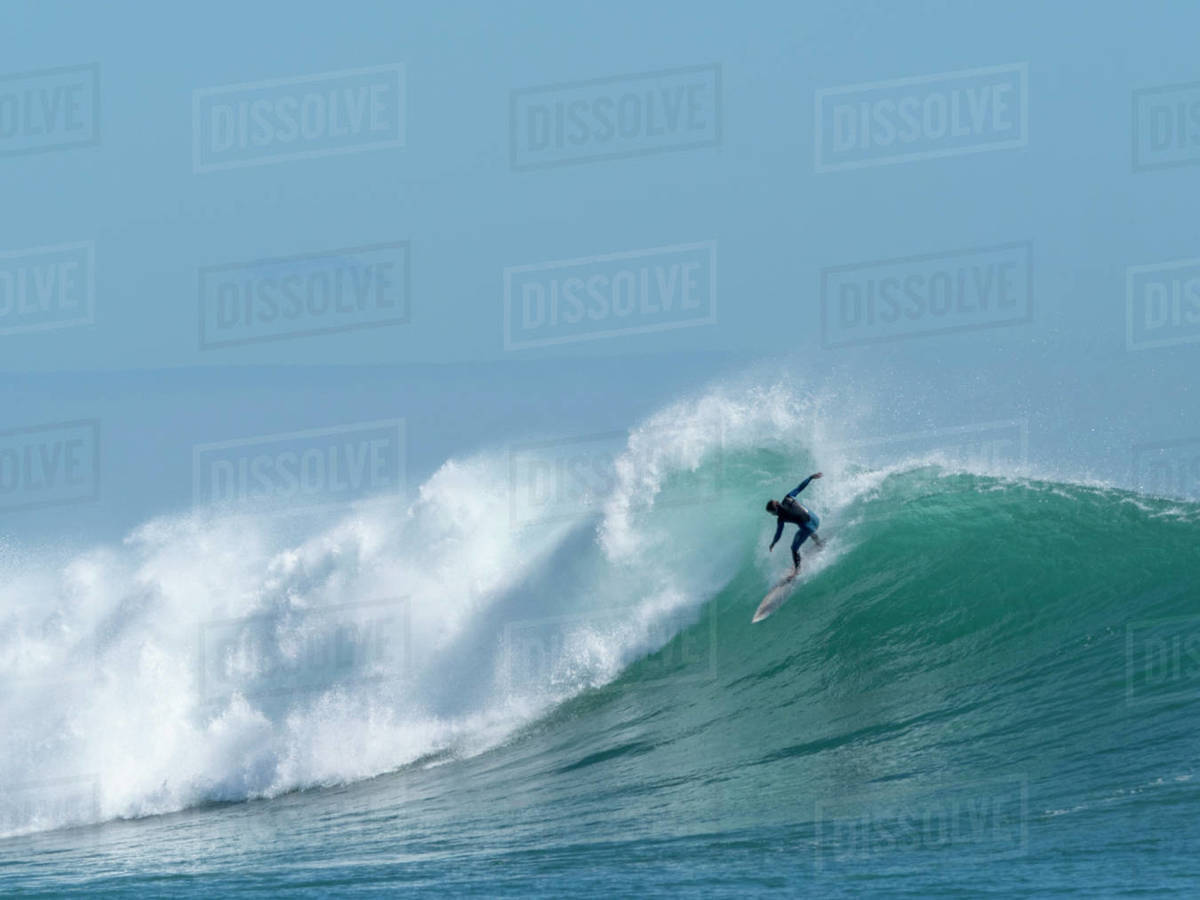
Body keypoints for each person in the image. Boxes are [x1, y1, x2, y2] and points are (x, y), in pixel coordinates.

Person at [766, 472, 824, 572]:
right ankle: (819, 543)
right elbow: (800, 488)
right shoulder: (789, 497)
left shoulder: (781, 518)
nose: (772, 515)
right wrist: (810, 477)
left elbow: (778, 534)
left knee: (794, 548)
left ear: (775, 510)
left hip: (809, 528)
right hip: (816, 520)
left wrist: (773, 543)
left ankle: (797, 570)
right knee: (803, 529)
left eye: (771, 513)